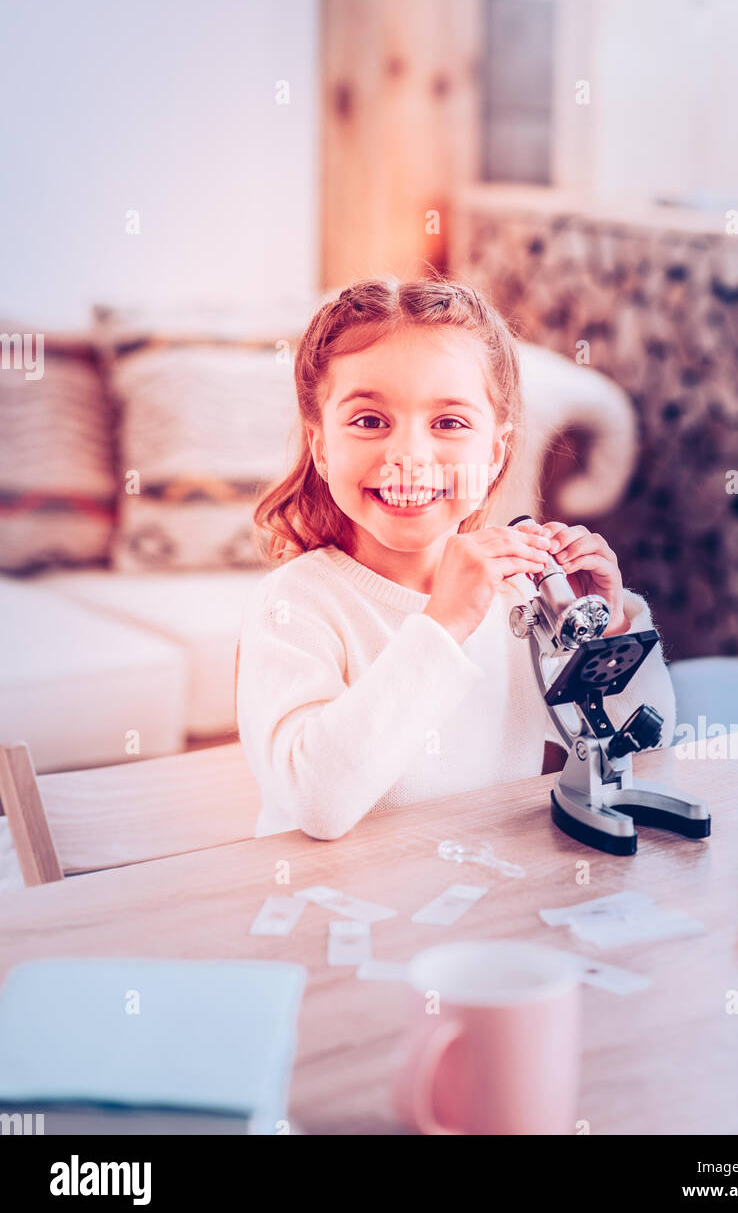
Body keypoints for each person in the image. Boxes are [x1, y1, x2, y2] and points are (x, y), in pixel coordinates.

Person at [237, 276, 676, 839]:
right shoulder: (294, 606)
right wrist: (443, 624)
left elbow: (643, 752)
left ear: (495, 454)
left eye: (449, 423)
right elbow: (318, 804)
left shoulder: (525, 594)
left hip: (476, 902)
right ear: (321, 446)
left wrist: (610, 633)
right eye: (369, 421)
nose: (410, 457)